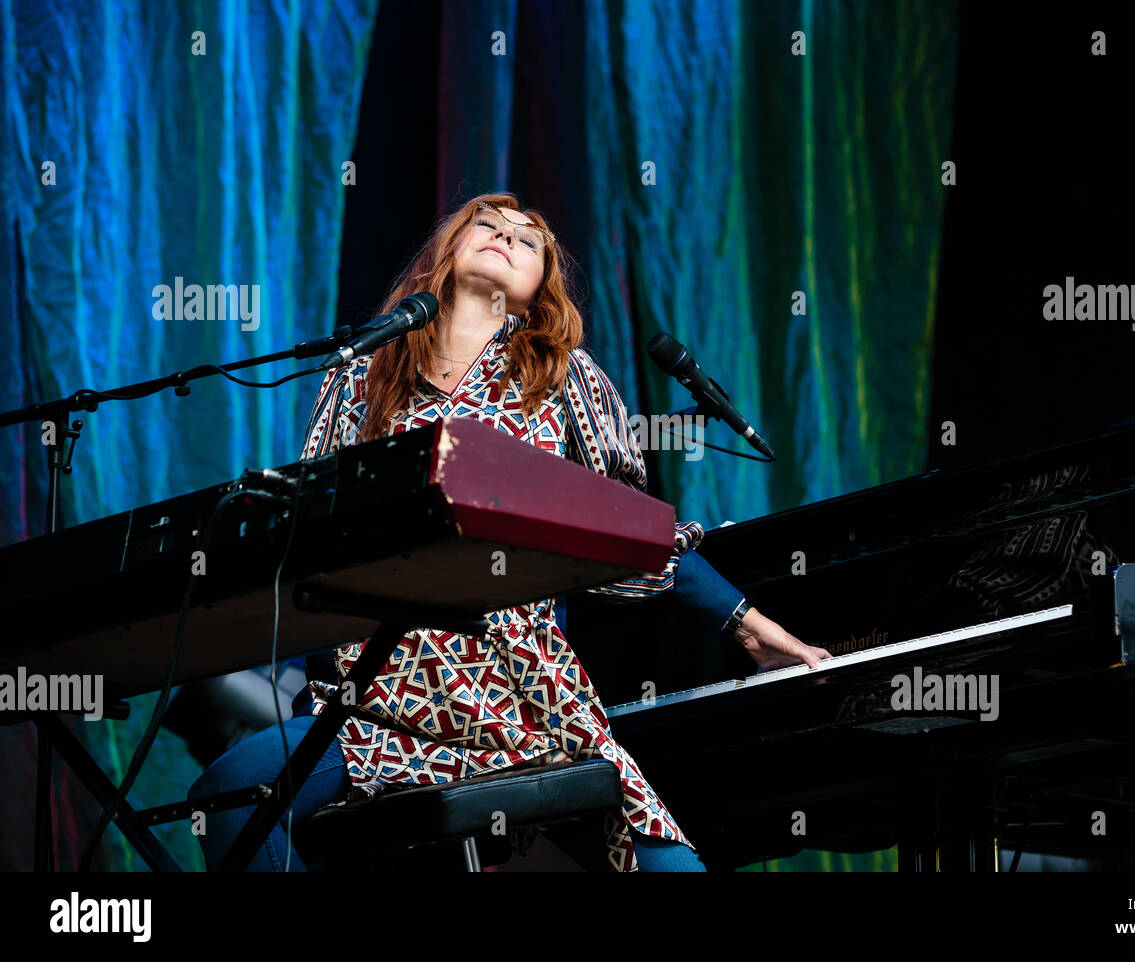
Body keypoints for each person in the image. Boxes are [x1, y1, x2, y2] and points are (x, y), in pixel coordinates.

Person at [189, 192, 829, 872]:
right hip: (381, 700)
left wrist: (752, 628)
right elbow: (316, 527)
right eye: (486, 226)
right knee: (229, 793)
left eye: (528, 241)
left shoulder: (559, 376)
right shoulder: (359, 377)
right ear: (446, 253)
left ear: (536, 292)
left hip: (524, 694)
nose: (505, 237)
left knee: (664, 865)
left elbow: (631, 532)